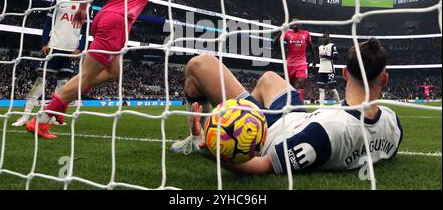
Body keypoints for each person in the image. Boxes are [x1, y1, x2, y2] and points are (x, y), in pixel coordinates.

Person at [26, 0, 196, 139]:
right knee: (87, 76)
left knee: (113, 71)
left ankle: (61, 102)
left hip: (104, 17)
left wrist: (83, 7)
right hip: (117, 22)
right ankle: (43, 117)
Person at [172, 38, 403, 175]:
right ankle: (243, 110)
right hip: (298, 118)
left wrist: (209, 147)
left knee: (199, 65)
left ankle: (204, 134)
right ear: (385, 79)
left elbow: (261, 166)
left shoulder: (324, 133)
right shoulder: (393, 126)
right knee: (270, 78)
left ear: (344, 74)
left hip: (273, 130)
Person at [12, 0, 86, 127]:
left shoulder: (86, 7)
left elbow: (85, 30)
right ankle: (25, 116)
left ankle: (51, 117)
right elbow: (47, 24)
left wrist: (81, 47)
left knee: (62, 86)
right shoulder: (59, 2)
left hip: (71, 52)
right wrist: (44, 43)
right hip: (54, 47)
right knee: (40, 81)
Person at [274, 19, 316, 103]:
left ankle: (299, 106)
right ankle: (289, 103)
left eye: (296, 22)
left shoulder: (306, 34)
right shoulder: (287, 33)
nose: (294, 23)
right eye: (292, 22)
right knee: (290, 87)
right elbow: (275, 43)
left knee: (301, 83)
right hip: (290, 64)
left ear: (300, 24)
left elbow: (311, 47)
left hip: (302, 63)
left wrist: (314, 59)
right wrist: (281, 31)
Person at [317, 33, 340, 105]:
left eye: (325, 37)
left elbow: (336, 57)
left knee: (332, 88)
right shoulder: (320, 47)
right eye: (323, 37)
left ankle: (339, 104)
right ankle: (321, 106)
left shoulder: (332, 46)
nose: (324, 39)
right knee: (321, 89)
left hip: (329, 69)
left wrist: (326, 56)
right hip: (321, 70)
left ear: (328, 38)